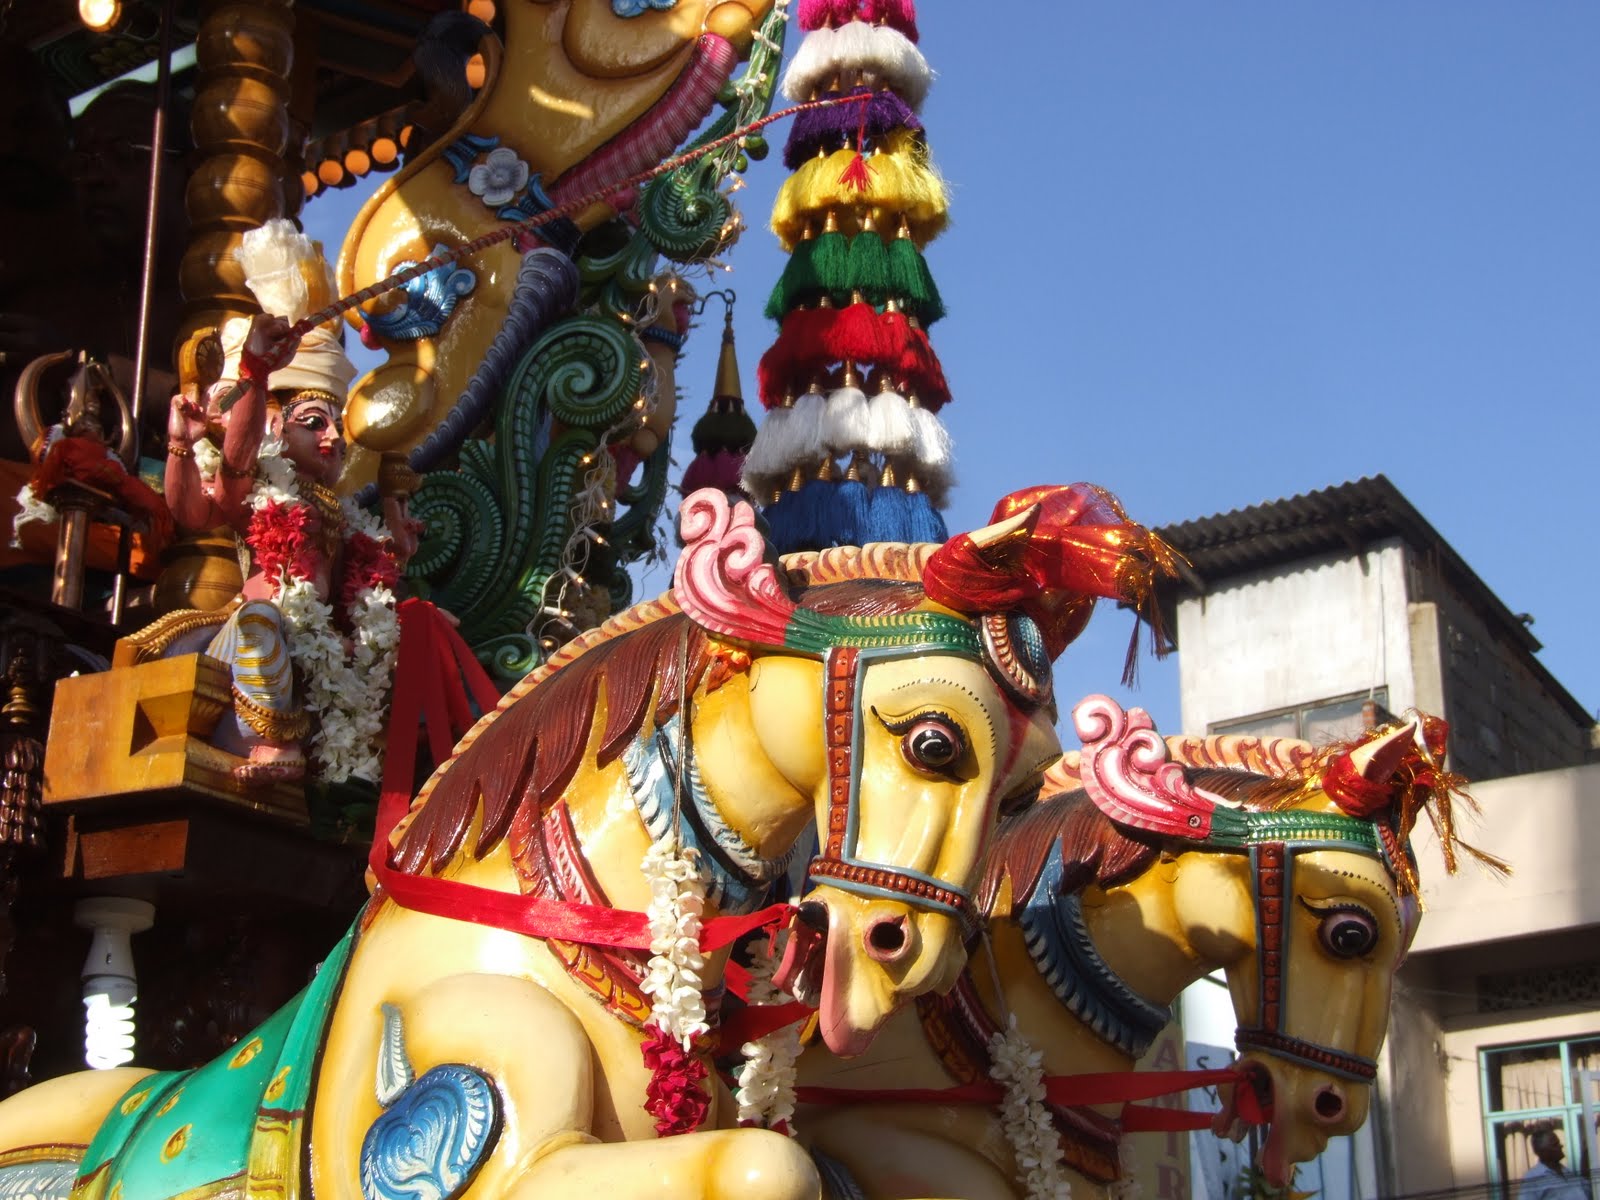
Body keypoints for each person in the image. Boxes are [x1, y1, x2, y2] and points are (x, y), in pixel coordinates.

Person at [1522, 1129, 1589, 1200]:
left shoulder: (1566, 1171)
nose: (1561, 1146)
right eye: (1555, 1144)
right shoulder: (1533, 1177)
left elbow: (1588, 1189)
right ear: (1543, 1151)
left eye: (1558, 1143)